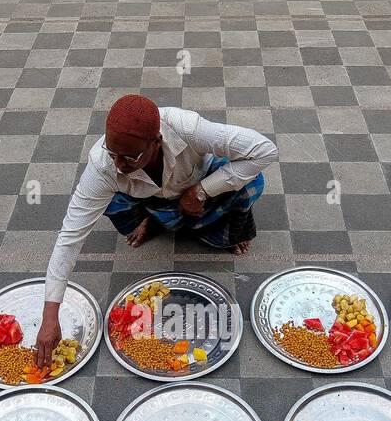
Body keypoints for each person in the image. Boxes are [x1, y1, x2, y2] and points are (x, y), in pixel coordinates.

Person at [34, 94, 278, 366]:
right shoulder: (103, 165)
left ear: (157, 142)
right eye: (113, 153)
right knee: (107, 201)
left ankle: (209, 223)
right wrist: (49, 317)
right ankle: (152, 219)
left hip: (199, 184)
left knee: (250, 184)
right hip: (148, 197)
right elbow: (71, 236)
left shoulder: (187, 128)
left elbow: (265, 150)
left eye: (129, 157)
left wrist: (202, 190)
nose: (119, 165)